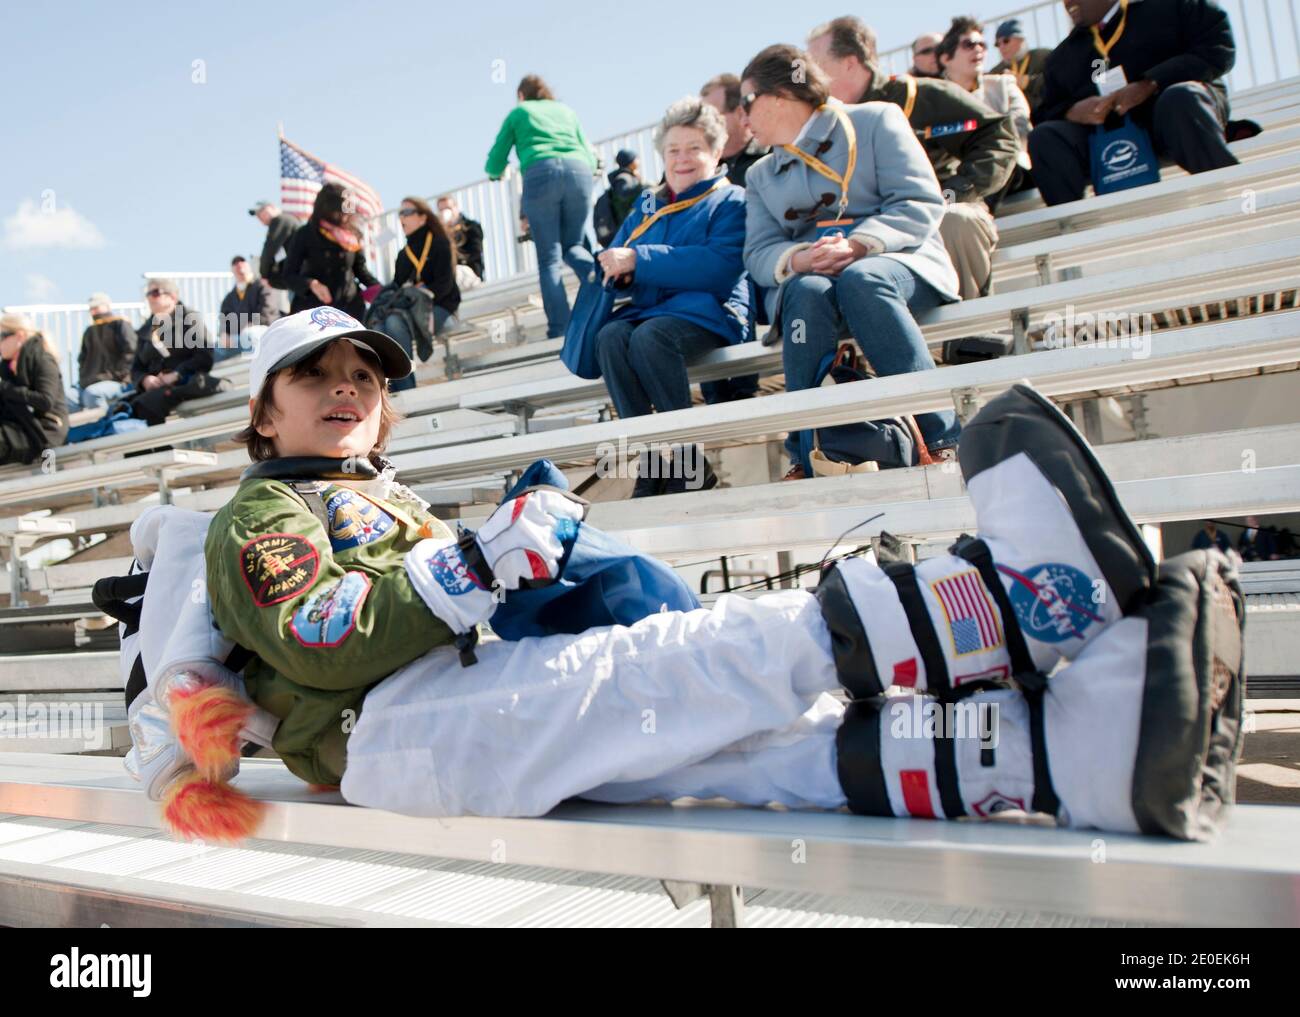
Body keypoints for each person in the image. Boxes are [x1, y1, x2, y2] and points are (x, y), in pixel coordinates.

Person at [134, 364, 1241, 847]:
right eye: (314, 375)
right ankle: (1010, 600)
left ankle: (1076, 756)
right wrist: (476, 563)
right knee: (697, 660)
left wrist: (513, 561)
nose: (346, 388)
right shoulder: (262, 511)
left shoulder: (388, 500)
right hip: (397, 726)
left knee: (760, 751)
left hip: (447, 718)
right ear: (264, 416)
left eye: (366, 378)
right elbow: (326, 643)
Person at [739, 43, 962, 480]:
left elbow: (919, 202)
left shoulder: (876, 120)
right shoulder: (759, 174)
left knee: (862, 279)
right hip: (817, 282)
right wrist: (801, 259)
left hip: (897, 261)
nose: (741, 118)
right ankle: (806, 453)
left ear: (781, 95)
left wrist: (859, 245)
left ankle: (941, 439)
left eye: (746, 101)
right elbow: (758, 253)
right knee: (803, 291)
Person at [592, 97, 750, 497]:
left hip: (713, 313)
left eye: (694, 148)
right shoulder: (647, 206)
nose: (682, 159)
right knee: (610, 337)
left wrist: (639, 261)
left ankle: (688, 463)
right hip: (654, 312)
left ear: (716, 152)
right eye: (672, 150)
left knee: (651, 336)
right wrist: (619, 271)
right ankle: (649, 463)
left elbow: (719, 267)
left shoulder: (731, 199)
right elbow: (617, 256)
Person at [808, 16, 1018, 300]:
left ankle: (971, 326)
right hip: (865, 229)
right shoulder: (819, 126)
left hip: (933, 216)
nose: (807, 76)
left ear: (849, 63)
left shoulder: (918, 96)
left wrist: (952, 194)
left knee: (956, 220)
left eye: (816, 65)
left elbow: (997, 135)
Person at [1029, 0, 1239, 207]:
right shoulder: (1061, 57)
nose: (1067, 2)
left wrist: (1151, 83)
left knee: (1180, 97)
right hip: (1106, 136)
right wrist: (1071, 112)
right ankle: (1070, 224)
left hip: (1172, 120)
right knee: (1045, 136)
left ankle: (1226, 197)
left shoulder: (1174, 7)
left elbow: (1218, 49)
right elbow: (1044, 111)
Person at [485, 74, 598, 338]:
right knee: (575, 246)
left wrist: (495, 172)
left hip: (541, 174)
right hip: (580, 173)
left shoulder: (520, 112)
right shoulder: (565, 111)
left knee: (550, 258)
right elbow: (589, 153)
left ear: (521, 95)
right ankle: (603, 280)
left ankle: (561, 328)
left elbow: (496, 158)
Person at [700, 71, 770, 404]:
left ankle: (742, 387)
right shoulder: (699, 167)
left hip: (763, 265)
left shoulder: (770, 154)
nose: (705, 124)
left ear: (740, 113)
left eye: (714, 115)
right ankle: (716, 394)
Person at [937, 16, 1034, 206]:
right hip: (955, 179)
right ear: (946, 58)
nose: (978, 49)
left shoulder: (1003, 85)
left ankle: (969, 209)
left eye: (982, 44)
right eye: (969, 44)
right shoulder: (934, 100)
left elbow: (1021, 128)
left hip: (1008, 170)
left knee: (994, 155)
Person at [370, 196, 462, 394]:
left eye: (407, 212)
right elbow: (398, 288)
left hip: (442, 310)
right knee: (379, 326)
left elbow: (444, 286)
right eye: (400, 213)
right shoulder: (404, 254)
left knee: (394, 323)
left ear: (422, 217)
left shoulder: (439, 243)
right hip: (410, 311)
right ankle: (391, 390)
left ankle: (408, 392)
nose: (402, 217)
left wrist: (420, 291)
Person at [280, 183, 380, 319]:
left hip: (350, 309)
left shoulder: (352, 235)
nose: (346, 214)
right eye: (340, 210)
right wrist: (312, 284)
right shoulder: (305, 234)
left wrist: (381, 289)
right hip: (314, 312)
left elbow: (360, 271)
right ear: (326, 209)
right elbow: (289, 275)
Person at [129, 278, 216, 426]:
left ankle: (157, 442)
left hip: (186, 382)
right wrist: (145, 379)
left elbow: (205, 356)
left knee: (146, 404)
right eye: (148, 294)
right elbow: (136, 368)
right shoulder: (144, 330)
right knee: (122, 408)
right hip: (155, 389)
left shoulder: (190, 318)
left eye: (155, 293)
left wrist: (177, 374)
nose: (150, 298)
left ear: (173, 297)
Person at [0, 312, 69, 463]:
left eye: (1, 337)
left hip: (43, 431)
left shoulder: (43, 359)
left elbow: (45, 400)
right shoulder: (7, 368)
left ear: (19, 335)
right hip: (18, 426)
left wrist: (6, 388)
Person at [67, 292, 135, 411]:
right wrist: (84, 378)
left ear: (107, 306)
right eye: (91, 308)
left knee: (92, 394)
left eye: (97, 306)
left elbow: (131, 350)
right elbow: (82, 359)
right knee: (67, 398)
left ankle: (105, 422)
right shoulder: (89, 331)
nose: (93, 310)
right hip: (88, 383)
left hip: (116, 381)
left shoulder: (120, 324)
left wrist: (121, 375)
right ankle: (86, 424)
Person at [218, 257, 279, 364]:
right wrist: (224, 334)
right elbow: (224, 321)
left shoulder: (261, 286)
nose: (239, 265)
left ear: (248, 266)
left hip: (263, 331)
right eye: (235, 264)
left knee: (248, 335)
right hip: (238, 339)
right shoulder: (229, 298)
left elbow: (268, 310)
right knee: (217, 349)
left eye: (242, 262)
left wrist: (252, 324)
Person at [989, 18, 1052, 115]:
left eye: (1006, 41)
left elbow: (1058, 79)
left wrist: (1028, 82)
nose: (1001, 47)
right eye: (997, 44)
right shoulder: (997, 71)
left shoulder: (1043, 56)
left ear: (1021, 39)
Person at [593, 149, 645, 247]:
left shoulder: (626, 177)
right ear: (631, 161)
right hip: (625, 228)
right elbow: (624, 195)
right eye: (636, 158)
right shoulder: (624, 178)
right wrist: (644, 188)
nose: (639, 160)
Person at [249, 201, 301, 291]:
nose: (259, 216)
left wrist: (264, 274)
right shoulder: (288, 220)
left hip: (300, 276)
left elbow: (270, 249)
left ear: (272, 207)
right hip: (299, 277)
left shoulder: (280, 219)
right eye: (257, 215)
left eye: (261, 211)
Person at [436, 194, 486, 287]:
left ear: (456, 208)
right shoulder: (438, 234)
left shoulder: (471, 227)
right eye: (441, 210)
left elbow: (475, 252)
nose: (444, 212)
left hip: (468, 274)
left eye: (448, 208)